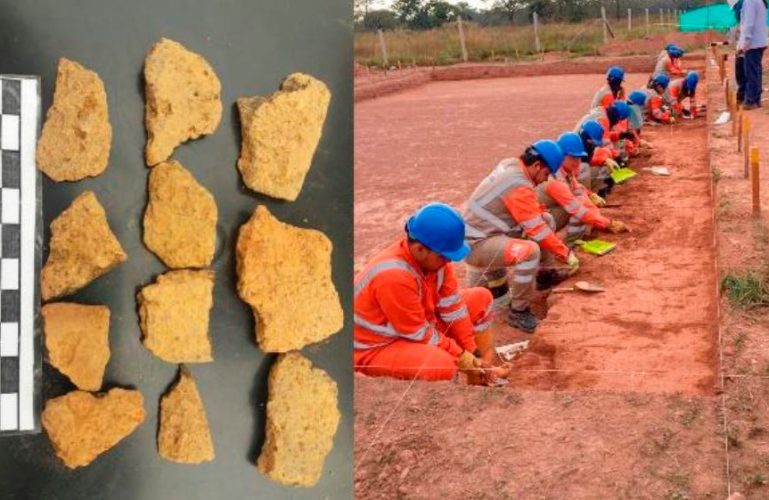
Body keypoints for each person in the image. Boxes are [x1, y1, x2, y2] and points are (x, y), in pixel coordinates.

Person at [354, 203, 497, 382]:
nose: (448, 262)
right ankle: (465, 395)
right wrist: (462, 357)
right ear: (420, 249)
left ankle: (482, 374)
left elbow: (453, 307)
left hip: (418, 324)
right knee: (443, 367)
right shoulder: (393, 276)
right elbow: (418, 332)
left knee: (480, 298)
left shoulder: (435, 262)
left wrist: (472, 349)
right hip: (375, 346)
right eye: (444, 256)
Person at [462, 140, 579, 333]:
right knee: (530, 251)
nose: (544, 180)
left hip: (489, 233)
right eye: (545, 174)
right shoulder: (518, 184)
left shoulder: (512, 164)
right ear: (536, 165)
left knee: (546, 219)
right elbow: (536, 231)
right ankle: (518, 310)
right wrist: (565, 253)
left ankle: (543, 274)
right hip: (478, 244)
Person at [536, 132, 629, 245]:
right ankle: (566, 243)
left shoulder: (566, 171)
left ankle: (570, 238)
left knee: (582, 203)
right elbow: (578, 209)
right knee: (578, 209)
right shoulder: (555, 180)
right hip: (539, 222)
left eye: (579, 158)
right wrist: (608, 223)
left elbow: (579, 190)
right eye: (573, 157)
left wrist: (592, 199)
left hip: (547, 215)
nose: (578, 162)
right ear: (561, 155)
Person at [735, 0, 768, 109]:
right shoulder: (760, 1)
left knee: (751, 73)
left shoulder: (750, 1)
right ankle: (756, 99)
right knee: (756, 71)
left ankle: (751, 100)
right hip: (759, 41)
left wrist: (744, 43)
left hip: (752, 44)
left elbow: (748, 24)